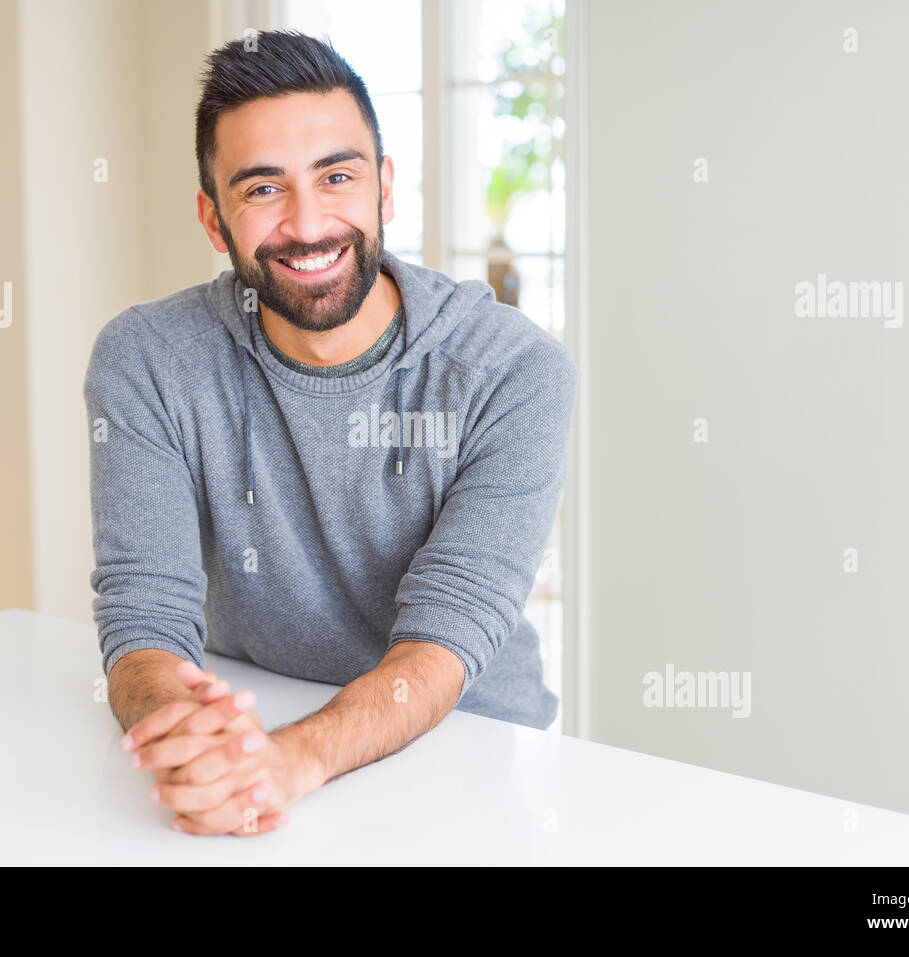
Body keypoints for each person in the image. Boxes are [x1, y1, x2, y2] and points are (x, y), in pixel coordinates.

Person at [83, 30, 576, 837]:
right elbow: (145, 614)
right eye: (263, 190)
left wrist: (293, 758)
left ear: (385, 187)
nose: (309, 225)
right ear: (214, 218)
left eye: (337, 176)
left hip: (471, 753)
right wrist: (184, 732)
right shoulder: (147, 359)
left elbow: (445, 634)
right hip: (260, 729)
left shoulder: (514, 371)